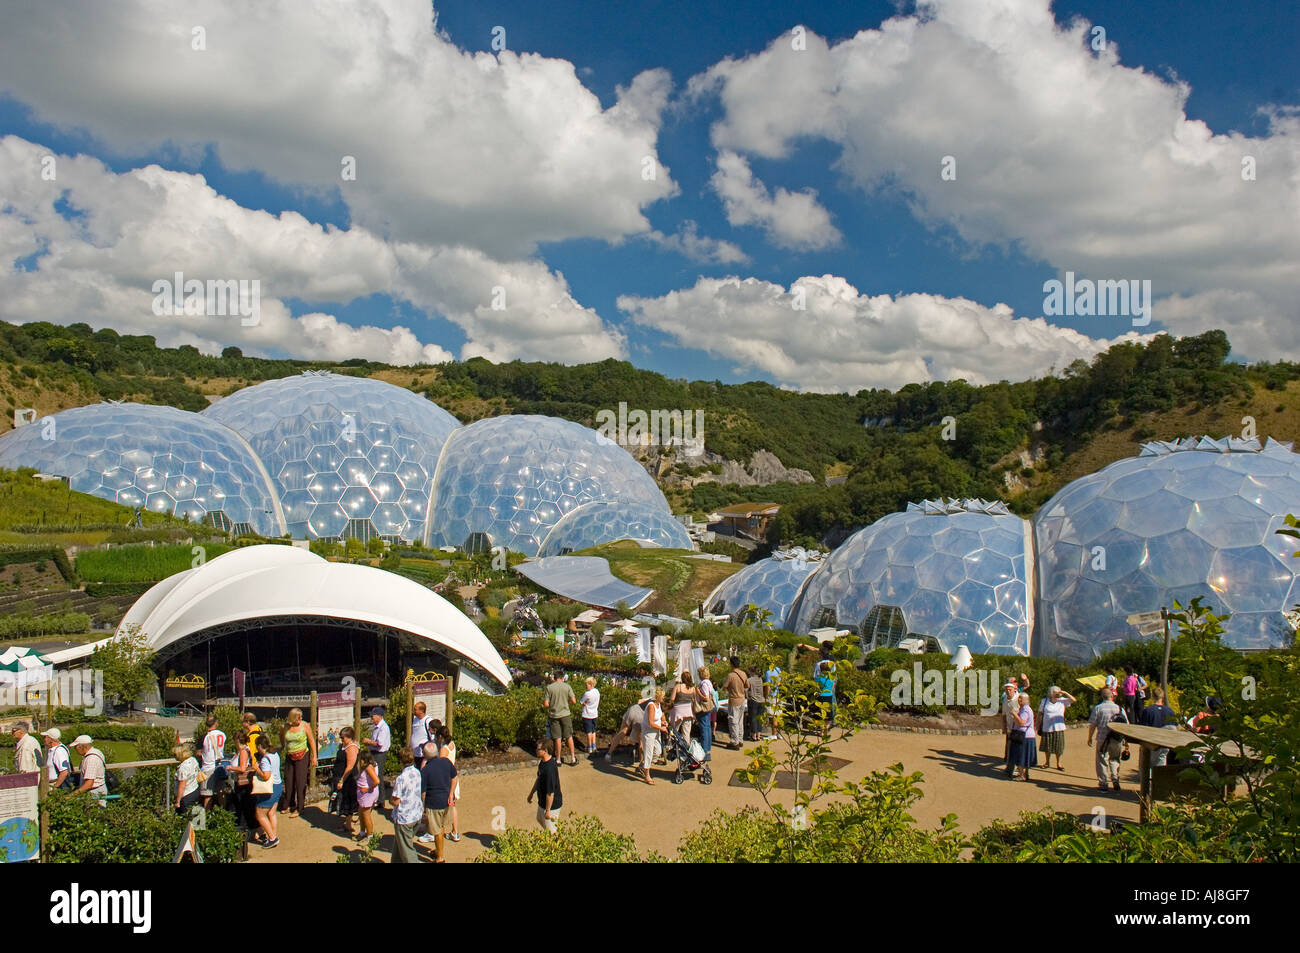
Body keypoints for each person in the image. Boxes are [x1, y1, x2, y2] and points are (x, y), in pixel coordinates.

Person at [419, 741, 457, 861]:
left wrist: (423, 808)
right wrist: (451, 794)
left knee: (437, 830)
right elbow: (455, 777)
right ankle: (438, 850)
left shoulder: (425, 770)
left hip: (434, 804)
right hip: (446, 801)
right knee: (440, 827)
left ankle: (440, 857)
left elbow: (423, 792)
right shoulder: (446, 762)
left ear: (425, 755)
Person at [1087, 687, 1128, 792]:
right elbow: (1126, 725)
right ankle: (1115, 779)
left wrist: (1090, 737)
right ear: (1112, 696)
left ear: (1102, 697)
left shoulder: (1098, 708)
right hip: (1117, 738)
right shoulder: (1119, 708)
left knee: (1102, 760)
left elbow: (1092, 724)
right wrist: (1126, 741)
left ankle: (1103, 783)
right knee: (1115, 758)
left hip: (1102, 738)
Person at [280, 707, 316, 818]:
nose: (300, 720)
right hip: (290, 755)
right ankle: (289, 804)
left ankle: (300, 807)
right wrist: (282, 747)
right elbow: (282, 738)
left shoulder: (305, 726)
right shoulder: (284, 727)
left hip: (302, 755)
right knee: (289, 781)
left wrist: (314, 756)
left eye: (301, 718)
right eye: (298, 718)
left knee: (300, 782)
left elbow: (311, 741)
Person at [390, 748, 423, 863]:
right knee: (400, 844)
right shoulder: (417, 772)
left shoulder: (401, 778)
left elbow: (396, 800)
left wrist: (391, 800)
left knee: (407, 850)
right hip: (416, 814)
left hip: (405, 818)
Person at [250, 734, 282, 848]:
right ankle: (272, 835)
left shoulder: (265, 759)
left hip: (270, 789)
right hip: (278, 786)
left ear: (259, 746)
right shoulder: (275, 754)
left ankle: (272, 838)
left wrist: (257, 769)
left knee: (260, 814)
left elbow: (266, 776)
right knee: (271, 813)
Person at [527, 739, 563, 833]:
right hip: (542, 802)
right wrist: (531, 793)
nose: (536, 750)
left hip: (552, 806)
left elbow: (550, 793)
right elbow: (539, 779)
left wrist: (548, 810)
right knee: (539, 818)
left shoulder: (549, 769)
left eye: (538, 749)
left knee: (552, 832)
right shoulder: (543, 763)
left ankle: (555, 845)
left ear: (545, 751)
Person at [1036, 686, 1076, 770]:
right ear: (1051, 692)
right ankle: (1047, 762)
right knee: (1047, 746)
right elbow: (1039, 713)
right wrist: (1037, 725)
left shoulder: (1062, 700)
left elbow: (1073, 700)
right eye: (1056, 692)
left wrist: (1065, 693)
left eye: (1059, 691)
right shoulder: (1044, 701)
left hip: (1059, 727)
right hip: (1047, 727)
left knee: (1059, 746)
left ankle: (1059, 763)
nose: (1058, 693)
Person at [332, 725, 361, 836]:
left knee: (348, 800)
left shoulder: (351, 748)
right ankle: (348, 823)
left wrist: (341, 780)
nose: (342, 740)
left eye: (343, 738)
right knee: (345, 800)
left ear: (349, 737)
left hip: (349, 779)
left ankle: (349, 824)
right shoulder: (345, 746)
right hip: (342, 776)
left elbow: (350, 766)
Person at [605, 692, 650, 763]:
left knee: (623, 731)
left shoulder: (650, 697)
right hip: (642, 715)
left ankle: (609, 754)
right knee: (641, 738)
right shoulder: (658, 703)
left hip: (633, 710)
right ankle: (641, 763)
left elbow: (639, 701)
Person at [544, 672, 578, 765]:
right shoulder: (567, 687)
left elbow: (546, 704)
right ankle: (573, 758)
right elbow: (574, 701)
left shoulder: (549, 687)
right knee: (569, 736)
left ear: (554, 678)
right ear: (562, 678)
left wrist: (553, 705)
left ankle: (558, 759)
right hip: (565, 714)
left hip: (554, 715)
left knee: (557, 737)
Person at [1140, 688, 1179, 766]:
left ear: (1153, 696)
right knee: (1162, 760)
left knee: (1151, 764)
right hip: (1166, 741)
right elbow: (1175, 727)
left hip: (1152, 742)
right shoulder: (1169, 711)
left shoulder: (1148, 710)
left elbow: (1143, 728)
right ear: (1163, 696)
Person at [226, 728, 255, 831]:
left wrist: (230, 768)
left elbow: (242, 768)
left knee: (242, 806)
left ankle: (243, 828)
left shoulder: (243, 751)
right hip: (239, 783)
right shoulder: (242, 750)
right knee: (240, 805)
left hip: (242, 784)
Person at [437, 726, 461, 843]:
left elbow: (441, 765)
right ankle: (455, 832)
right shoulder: (452, 744)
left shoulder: (443, 749)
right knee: (453, 805)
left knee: (445, 806)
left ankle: (442, 831)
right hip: (453, 776)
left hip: (446, 778)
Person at [363, 706, 391, 806]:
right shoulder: (377, 726)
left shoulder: (383, 728)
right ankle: (375, 798)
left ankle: (381, 800)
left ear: (379, 716)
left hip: (379, 754)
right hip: (374, 753)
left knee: (378, 776)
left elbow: (380, 743)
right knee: (372, 775)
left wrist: (368, 742)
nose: (372, 718)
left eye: (373, 716)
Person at [198, 714, 226, 810]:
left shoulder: (205, 737)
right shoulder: (222, 734)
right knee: (220, 792)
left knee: (207, 795)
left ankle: (206, 817)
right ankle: (223, 813)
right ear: (216, 724)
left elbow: (198, 752)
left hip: (207, 767)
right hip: (219, 766)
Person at [641, 688, 669, 786]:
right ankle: (647, 775)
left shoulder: (658, 705)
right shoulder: (651, 706)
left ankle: (643, 765)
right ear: (658, 696)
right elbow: (651, 723)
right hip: (648, 732)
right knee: (648, 753)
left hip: (656, 731)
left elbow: (657, 719)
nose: (664, 698)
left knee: (658, 752)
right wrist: (662, 729)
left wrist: (663, 722)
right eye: (663, 696)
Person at [71, 735, 108, 806]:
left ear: (81, 747)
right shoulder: (97, 752)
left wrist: (72, 795)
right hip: (99, 789)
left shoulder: (91, 759)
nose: (75, 749)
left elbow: (89, 784)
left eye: (76, 747)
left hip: (94, 792)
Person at [354, 749, 380, 843]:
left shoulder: (368, 768)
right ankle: (362, 833)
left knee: (366, 815)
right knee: (361, 813)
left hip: (367, 794)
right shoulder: (368, 766)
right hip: (362, 794)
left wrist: (368, 789)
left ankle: (369, 836)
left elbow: (377, 781)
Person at [723, 657, 748, 749]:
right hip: (742, 699)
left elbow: (724, 687)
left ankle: (734, 741)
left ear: (731, 664)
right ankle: (740, 739)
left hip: (734, 700)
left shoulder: (731, 675)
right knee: (740, 721)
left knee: (733, 721)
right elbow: (747, 685)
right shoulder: (743, 674)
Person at [1011, 693, 1037, 781]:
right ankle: (1025, 774)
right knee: (1025, 756)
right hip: (1026, 736)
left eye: (1020, 699)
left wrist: (1014, 714)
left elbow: (1021, 722)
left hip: (1024, 736)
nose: (1019, 700)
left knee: (1021, 755)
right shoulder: (1024, 709)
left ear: (1026, 700)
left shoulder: (1025, 709)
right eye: (1019, 698)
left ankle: (1022, 775)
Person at [174, 743, 201, 815]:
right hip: (194, 790)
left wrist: (178, 801)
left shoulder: (183, 768)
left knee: (186, 818)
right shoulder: (192, 760)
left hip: (186, 795)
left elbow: (182, 785)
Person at [695, 666, 715, 760]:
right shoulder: (709, 682)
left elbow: (706, 697)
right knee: (707, 727)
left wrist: (698, 692)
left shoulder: (703, 684)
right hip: (708, 707)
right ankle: (707, 746)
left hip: (704, 707)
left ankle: (704, 748)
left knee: (704, 727)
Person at [668, 671, 696, 739]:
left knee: (674, 730)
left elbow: (672, 699)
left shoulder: (678, 687)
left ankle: (672, 745)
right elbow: (694, 700)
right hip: (688, 711)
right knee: (686, 733)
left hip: (678, 711)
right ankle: (686, 747)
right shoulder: (693, 688)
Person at [1000, 681, 1019, 778]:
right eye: (1006, 690)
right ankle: (1009, 767)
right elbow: (1003, 715)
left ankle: (1016, 769)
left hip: (1017, 729)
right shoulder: (1005, 701)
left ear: (1014, 689)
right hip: (1009, 729)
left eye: (1010, 689)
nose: (1008, 691)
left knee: (1016, 750)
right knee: (1009, 749)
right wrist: (1004, 726)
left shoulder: (1018, 699)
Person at [579, 677, 601, 755]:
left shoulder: (587, 693)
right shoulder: (597, 691)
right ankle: (594, 745)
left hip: (587, 714)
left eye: (587, 684)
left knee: (588, 731)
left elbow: (581, 701)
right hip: (595, 713)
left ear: (591, 684)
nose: (586, 686)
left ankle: (589, 746)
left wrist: (585, 703)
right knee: (593, 730)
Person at [410, 701, 434, 768]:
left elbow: (432, 737)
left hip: (423, 755)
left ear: (421, 711)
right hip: (415, 753)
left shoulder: (428, 721)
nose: (414, 711)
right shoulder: (415, 719)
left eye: (415, 709)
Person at [746, 667, 767, 741]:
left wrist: (747, 697)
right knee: (759, 718)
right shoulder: (760, 679)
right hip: (761, 700)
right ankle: (758, 735)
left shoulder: (749, 680)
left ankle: (753, 735)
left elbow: (746, 690)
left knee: (753, 718)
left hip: (753, 700)